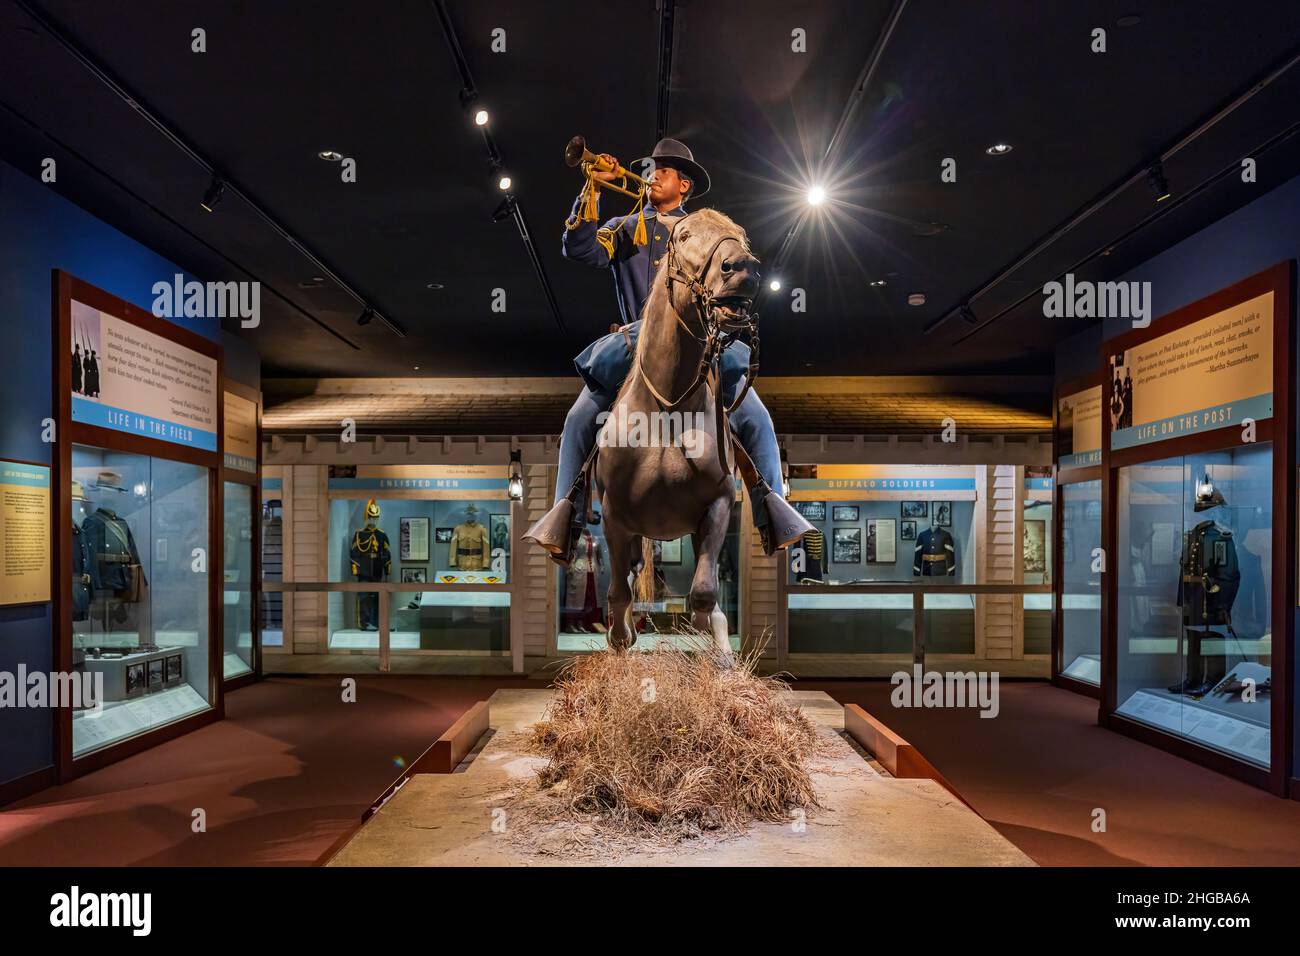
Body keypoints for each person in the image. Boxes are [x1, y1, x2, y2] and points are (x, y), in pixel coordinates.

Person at [524, 138, 803, 561]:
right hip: (635, 339)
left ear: (684, 185)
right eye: (651, 169)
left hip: (699, 342)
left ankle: (773, 508)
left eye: (664, 171)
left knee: (756, 416)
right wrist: (593, 189)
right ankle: (566, 515)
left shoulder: (707, 232)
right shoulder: (626, 225)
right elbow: (577, 247)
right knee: (580, 417)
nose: (652, 175)